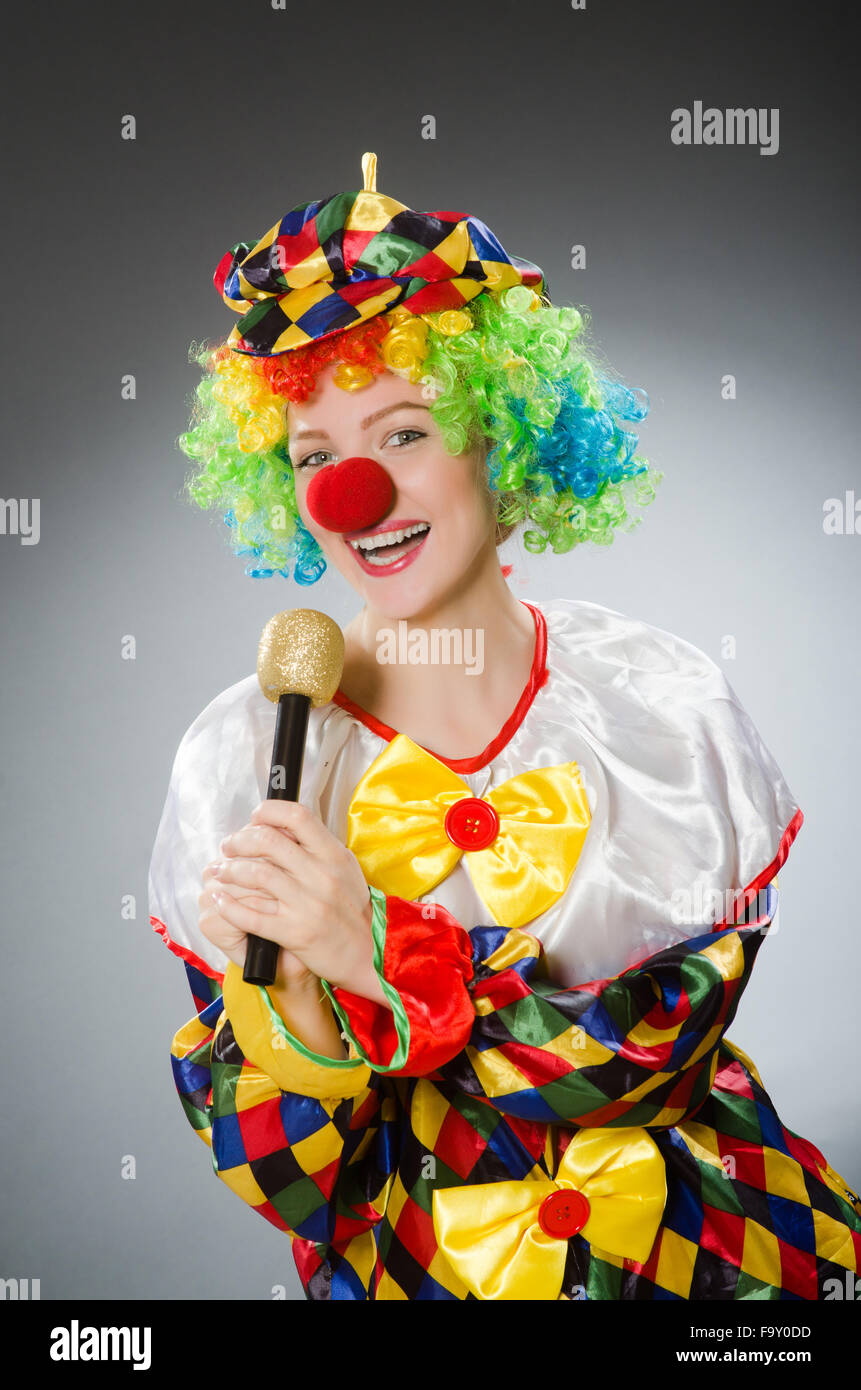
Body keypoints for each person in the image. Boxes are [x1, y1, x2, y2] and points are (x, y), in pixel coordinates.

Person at [149, 152, 861, 1301]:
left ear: (506, 434)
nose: (351, 497)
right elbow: (296, 1188)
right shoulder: (249, 762)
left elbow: (641, 1068)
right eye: (316, 457)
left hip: (710, 1267)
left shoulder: (659, 707)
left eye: (405, 435)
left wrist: (377, 953)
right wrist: (293, 989)